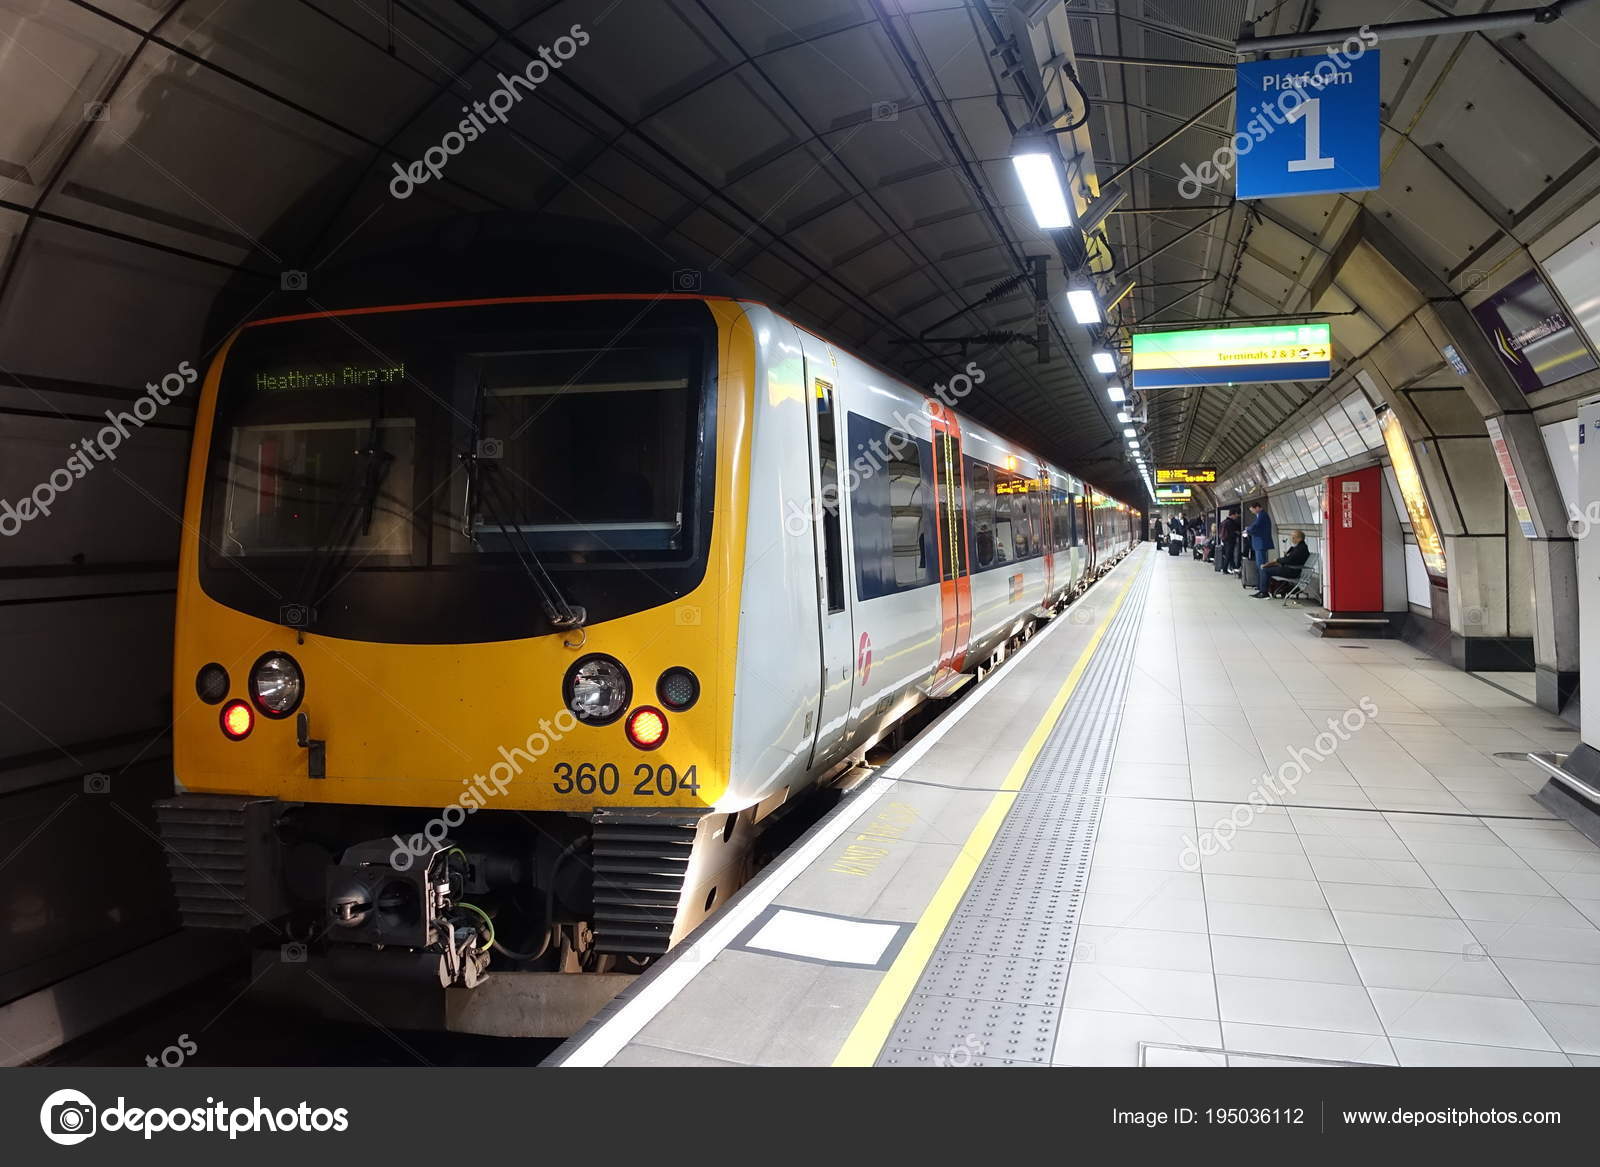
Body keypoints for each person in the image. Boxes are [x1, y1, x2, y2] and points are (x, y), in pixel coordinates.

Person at [1254, 529, 1310, 597]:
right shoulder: (1300, 547)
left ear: (1299, 538)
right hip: (1291, 569)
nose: (1291, 539)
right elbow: (1290, 559)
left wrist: (1277, 560)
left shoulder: (1300, 549)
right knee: (1268, 568)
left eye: (1293, 537)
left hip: (1292, 571)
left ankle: (1263, 592)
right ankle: (1265, 590)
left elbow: (1289, 559)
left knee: (1265, 570)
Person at [1245, 502, 1272, 575]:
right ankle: (1261, 584)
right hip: (1260, 544)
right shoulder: (1261, 515)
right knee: (1261, 564)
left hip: (1261, 543)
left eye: (1252, 510)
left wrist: (1247, 530)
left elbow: (1255, 526)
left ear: (1257, 507)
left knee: (1261, 565)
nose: (1252, 512)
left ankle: (1262, 585)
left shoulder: (1262, 515)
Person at [1218, 508, 1240, 575]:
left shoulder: (1224, 521)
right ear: (1233, 515)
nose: (1237, 516)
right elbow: (1232, 532)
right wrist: (1237, 533)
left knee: (1229, 555)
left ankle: (1234, 567)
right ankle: (1225, 569)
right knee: (1229, 554)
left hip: (1224, 540)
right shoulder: (1231, 522)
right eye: (1236, 514)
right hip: (1230, 540)